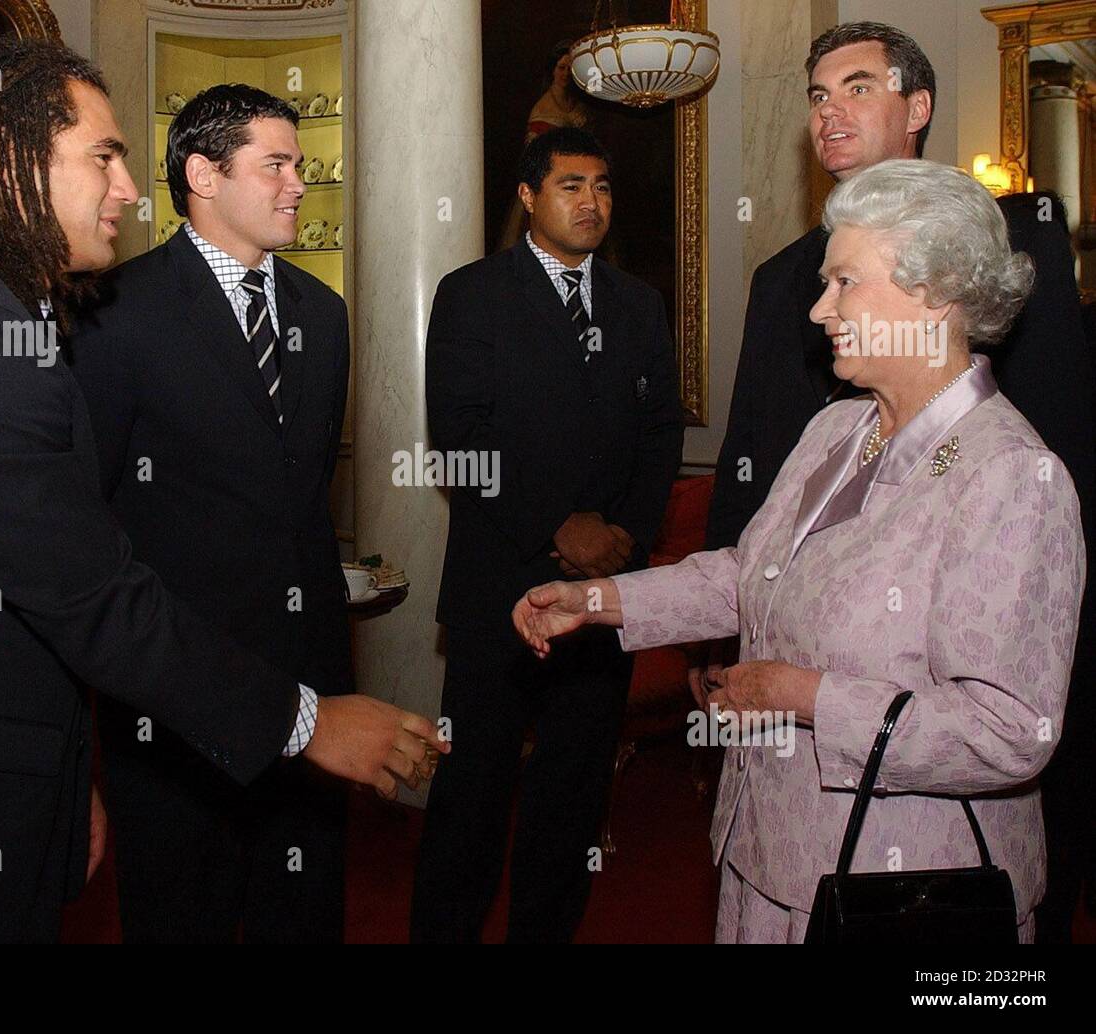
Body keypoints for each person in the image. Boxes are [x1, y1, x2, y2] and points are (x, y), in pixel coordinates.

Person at [0, 38, 443, 944]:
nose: (131, 189)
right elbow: (93, 592)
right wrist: (306, 721)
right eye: (104, 155)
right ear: (6, 160)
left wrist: (66, 778)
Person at [516, 159, 1086, 943]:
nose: (821, 310)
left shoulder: (1012, 475)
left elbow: (1007, 732)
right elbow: (752, 571)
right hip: (769, 854)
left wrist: (806, 696)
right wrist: (601, 601)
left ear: (936, 292)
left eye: (845, 283)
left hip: (909, 888)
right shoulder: (836, 428)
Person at [702, 21, 1096, 939]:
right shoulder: (780, 278)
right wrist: (720, 634)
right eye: (816, 95)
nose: (830, 111)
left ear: (918, 108)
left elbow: (1056, 462)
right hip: (787, 686)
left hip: (959, 664)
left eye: (858, 87)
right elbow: (752, 458)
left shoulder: (1000, 244)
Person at [68, 84, 360, 943]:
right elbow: (89, 521)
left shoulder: (324, 315)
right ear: (203, 172)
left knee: (301, 914)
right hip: (174, 707)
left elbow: (303, 507)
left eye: (299, 166)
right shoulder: (113, 311)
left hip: (309, 688)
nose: (298, 185)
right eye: (275, 165)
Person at [413, 126, 685, 942]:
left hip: (603, 597)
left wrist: (625, 536)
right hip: (499, 590)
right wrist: (554, 527)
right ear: (529, 197)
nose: (591, 202)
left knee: (570, 799)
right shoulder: (472, 293)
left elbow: (661, 432)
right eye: (571, 186)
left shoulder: (639, 303)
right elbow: (457, 441)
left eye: (602, 186)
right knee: (472, 797)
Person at [496, 41, 591, 251]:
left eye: (570, 68)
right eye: (561, 68)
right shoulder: (543, 108)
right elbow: (534, 156)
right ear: (553, 70)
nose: (566, 73)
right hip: (552, 184)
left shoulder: (578, 105)